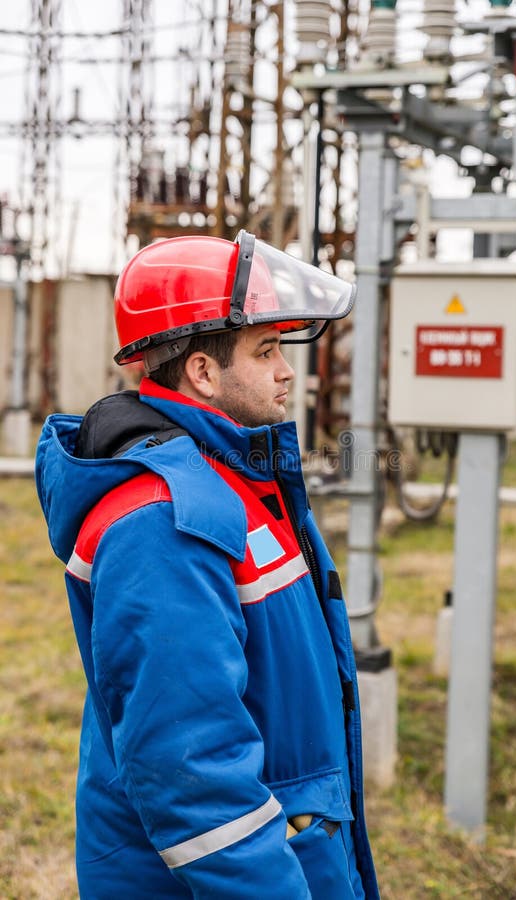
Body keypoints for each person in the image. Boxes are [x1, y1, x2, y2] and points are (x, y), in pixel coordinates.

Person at [36, 231, 380, 899]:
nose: (287, 372)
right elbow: (195, 778)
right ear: (202, 371)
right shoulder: (164, 522)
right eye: (267, 350)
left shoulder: (231, 482)